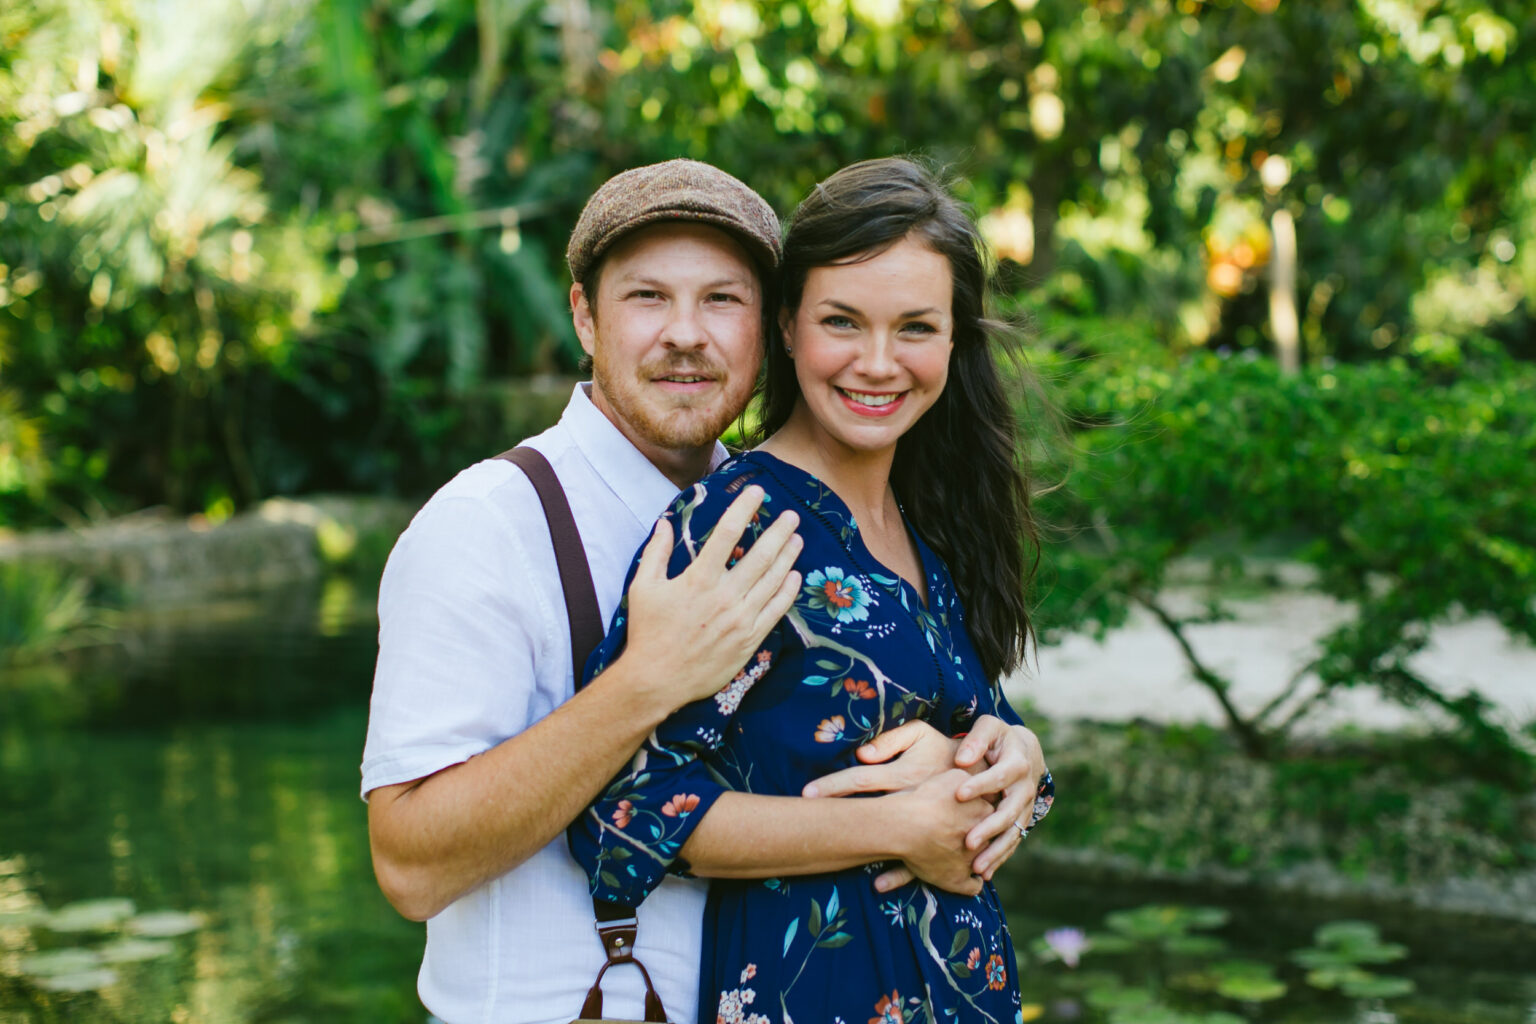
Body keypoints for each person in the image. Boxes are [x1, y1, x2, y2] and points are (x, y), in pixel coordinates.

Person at [361, 159, 1049, 1024]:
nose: (686, 333)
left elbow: (866, 745)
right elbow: (410, 866)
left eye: (722, 300)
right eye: (647, 297)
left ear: (766, 324)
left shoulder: (814, 511)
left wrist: (1001, 759)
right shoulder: (490, 525)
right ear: (582, 313)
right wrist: (647, 679)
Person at [569, 157, 1054, 1023]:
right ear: (788, 327)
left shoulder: (928, 516)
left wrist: (1019, 758)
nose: (878, 362)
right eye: (842, 321)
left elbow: (963, 729)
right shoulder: (741, 524)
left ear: (954, 339)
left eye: (915, 327)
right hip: (818, 992)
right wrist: (895, 827)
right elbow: (618, 816)